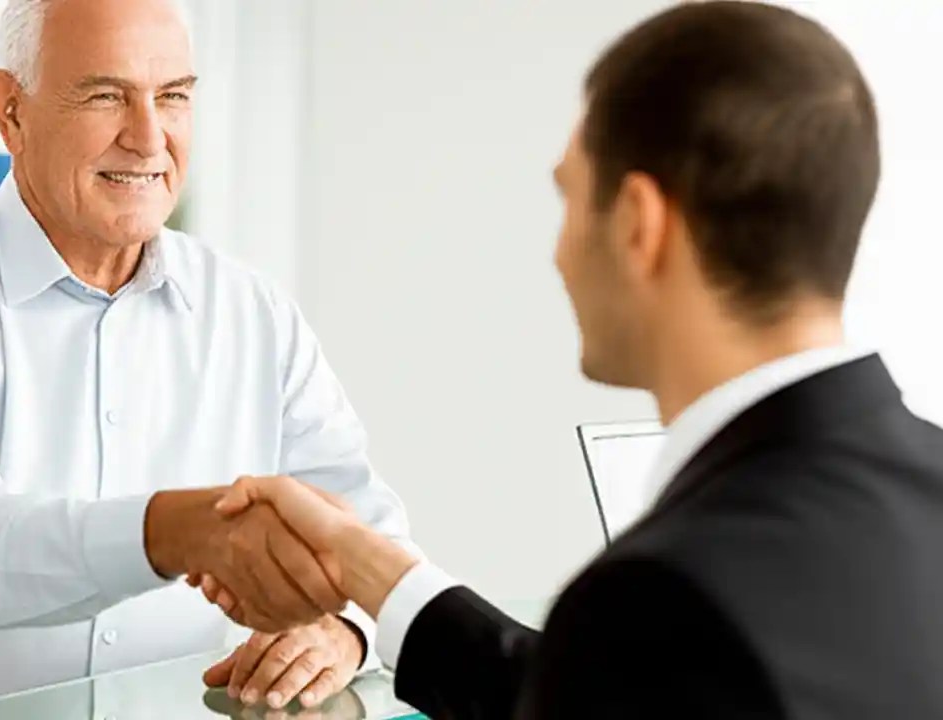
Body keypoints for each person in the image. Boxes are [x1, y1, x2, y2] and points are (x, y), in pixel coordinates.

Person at [199, 3, 943, 718]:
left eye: (572, 200)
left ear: (639, 225)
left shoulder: (661, 594)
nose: (559, 254)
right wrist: (365, 565)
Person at [0, 0, 413, 717]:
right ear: (12, 111)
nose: (148, 138)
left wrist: (345, 630)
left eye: (173, 97)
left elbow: (368, 531)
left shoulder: (251, 310)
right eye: (106, 96)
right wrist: (175, 532)